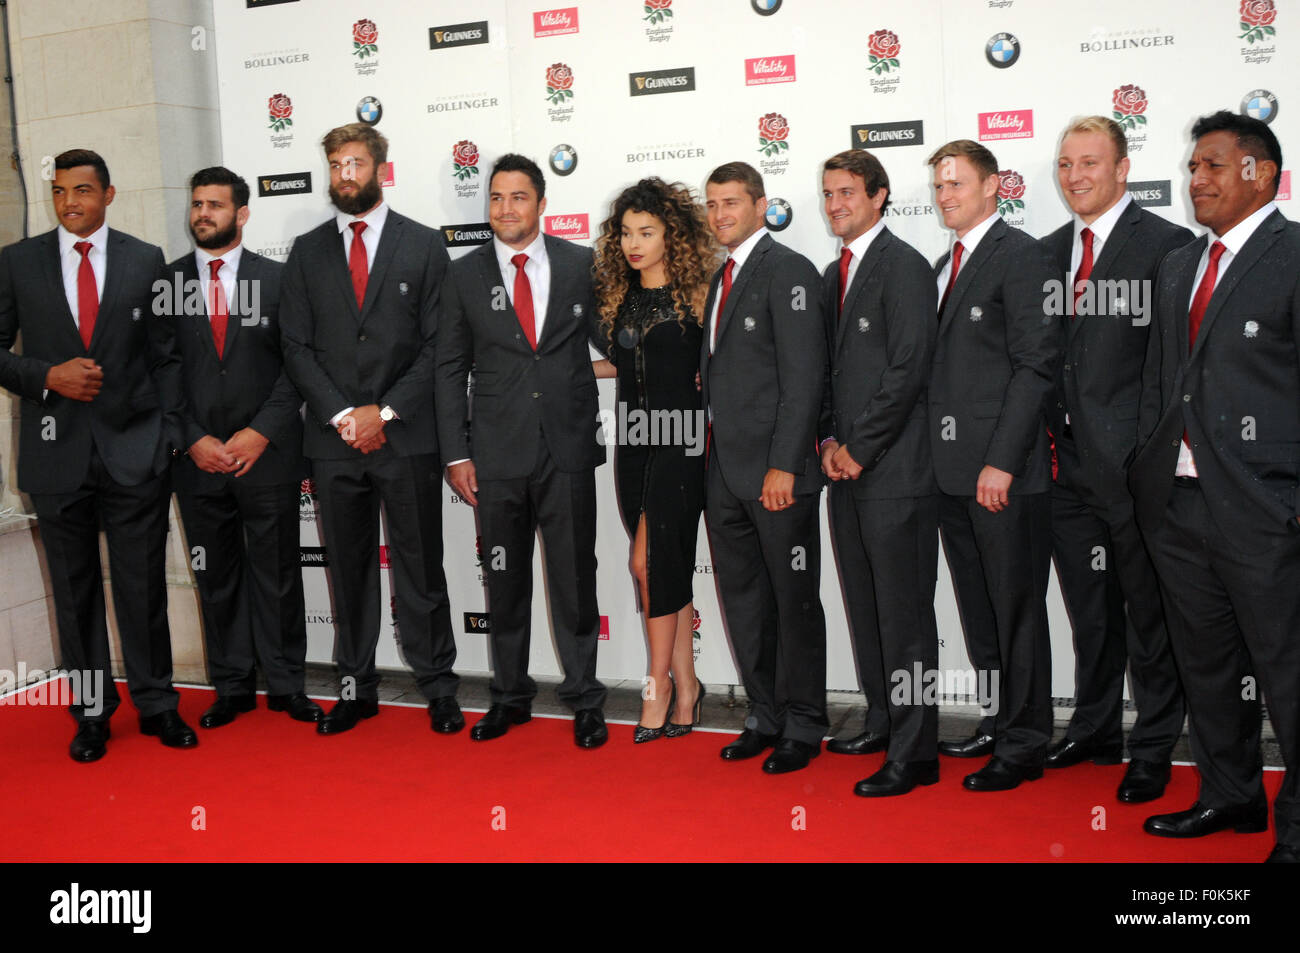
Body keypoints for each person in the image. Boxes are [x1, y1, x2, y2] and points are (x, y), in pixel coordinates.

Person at [1130, 111, 1300, 863]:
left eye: (1212, 167)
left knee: (1287, 673)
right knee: (1207, 667)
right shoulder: (1180, 264)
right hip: (1181, 505)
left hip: (1266, 510)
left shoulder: (1292, 256)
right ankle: (1230, 795)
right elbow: (1166, 383)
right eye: (1192, 167)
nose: (1195, 181)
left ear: (1259, 172)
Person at [0, 149, 194, 760]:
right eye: (59, 192)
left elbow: (165, 357)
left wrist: (164, 435)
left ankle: (159, 703)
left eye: (82, 191)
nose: (69, 204)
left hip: (135, 453)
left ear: (108, 195)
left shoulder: (145, 260)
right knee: (73, 589)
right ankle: (90, 714)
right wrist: (45, 376)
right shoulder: (18, 263)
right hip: (57, 457)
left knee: (142, 588)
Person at [279, 124, 460, 736]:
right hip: (332, 445)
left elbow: (439, 346)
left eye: (354, 163)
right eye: (335, 165)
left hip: (405, 437)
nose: (343, 175)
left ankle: (438, 686)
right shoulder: (306, 251)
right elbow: (295, 347)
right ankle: (355, 690)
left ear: (381, 168)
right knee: (347, 571)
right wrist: (342, 416)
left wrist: (380, 413)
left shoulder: (425, 246)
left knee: (420, 568)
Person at [436, 154, 609, 748]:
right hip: (496, 456)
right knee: (504, 582)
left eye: (518, 197)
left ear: (541, 204)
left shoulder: (582, 264)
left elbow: (611, 341)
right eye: (496, 198)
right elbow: (448, 369)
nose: (506, 209)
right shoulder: (463, 275)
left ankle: (586, 699)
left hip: (566, 450)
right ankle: (510, 697)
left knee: (573, 581)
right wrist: (457, 455)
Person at [1041, 117, 1190, 802]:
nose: (1076, 175)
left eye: (1091, 162)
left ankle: (1154, 744)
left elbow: (1174, 367)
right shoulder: (1047, 252)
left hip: (1134, 470)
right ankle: (1096, 726)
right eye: (1067, 163)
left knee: (1146, 613)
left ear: (1124, 168)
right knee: (1090, 607)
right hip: (1065, 465)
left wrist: (1145, 457)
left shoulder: (1167, 245)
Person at [167, 166, 322, 729]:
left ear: (242, 214)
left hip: (269, 454)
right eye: (197, 204)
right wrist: (193, 439)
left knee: (279, 573)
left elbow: (297, 364)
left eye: (215, 204)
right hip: (198, 460)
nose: (203, 213)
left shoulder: (280, 281)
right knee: (218, 574)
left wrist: (261, 430)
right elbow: (161, 371)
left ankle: (286, 684)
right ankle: (231, 685)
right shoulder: (169, 283)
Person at [927, 140, 1060, 791]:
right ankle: (997, 718)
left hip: (1003, 476)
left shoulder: (1023, 255)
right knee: (980, 610)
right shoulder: (943, 264)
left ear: (994, 186)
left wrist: (1002, 462)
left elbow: (1037, 366)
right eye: (940, 185)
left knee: (1016, 611)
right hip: (951, 475)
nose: (945, 194)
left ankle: (1026, 741)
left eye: (956, 183)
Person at [816, 150, 940, 796]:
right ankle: (884, 718)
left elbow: (908, 370)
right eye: (828, 193)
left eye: (847, 193)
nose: (835, 204)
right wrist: (830, 439)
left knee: (905, 619)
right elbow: (827, 374)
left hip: (896, 472)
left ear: (879, 195)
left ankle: (917, 749)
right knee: (866, 609)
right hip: (845, 472)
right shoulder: (832, 272)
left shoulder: (907, 268)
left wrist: (859, 445)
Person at [700, 161, 828, 774]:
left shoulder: (790, 272)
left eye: (731, 203)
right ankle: (764, 715)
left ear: (760, 205)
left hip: (777, 476)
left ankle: (803, 725)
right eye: (712, 204)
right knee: (745, 601)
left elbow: (805, 382)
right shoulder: (719, 277)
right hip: (724, 473)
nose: (720, 215)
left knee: (793, 600)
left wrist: (785, 466)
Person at [591, 178, 715, 741]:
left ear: (673, 235)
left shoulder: (701, 297)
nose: (633, 244)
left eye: (647, 232)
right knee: (664, 567)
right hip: (633, 441)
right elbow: (626, 363)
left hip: (682, 439)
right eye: (625, 233)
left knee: (647, 564)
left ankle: (656, 687)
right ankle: (688, 686)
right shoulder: (617, 296)